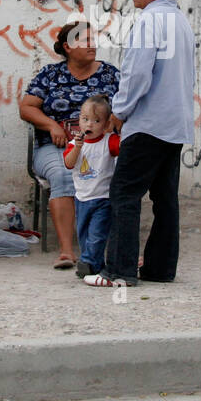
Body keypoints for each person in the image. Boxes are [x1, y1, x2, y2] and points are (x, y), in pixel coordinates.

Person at [85, 0, 195, 288]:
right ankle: (159, 269)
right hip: (174, 124)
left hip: (147, 123)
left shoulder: (149, 22)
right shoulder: (181, 22)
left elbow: (136, 75)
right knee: (165, 199)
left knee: (124, 194)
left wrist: (119, 112)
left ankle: (119, 271)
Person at [19, 22, 120, 269]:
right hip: (55, 148)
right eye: (83, 40)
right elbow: (26, 107)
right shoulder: (50, 74)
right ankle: (67, 250)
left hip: (102, 148)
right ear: (67, 46)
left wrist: (117, 118)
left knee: (116, 175)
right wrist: (52, 126)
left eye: (92, 39)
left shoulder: (110, 74)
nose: (91, 44)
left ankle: (113, 247)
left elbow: (130, 103)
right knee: (65, 174)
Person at [62, 95, 121, 279]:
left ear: (106, 123)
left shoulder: (109, 141)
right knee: (84, 234)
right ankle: (94, 264)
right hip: (82, 198)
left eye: (96, 121)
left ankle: (88, 262)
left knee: (97, 234)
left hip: (103, 197)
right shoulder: (73, 144)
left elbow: (122, 149)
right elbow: (69, 163)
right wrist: (78, 148)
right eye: (85, 119)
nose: (89, 125)